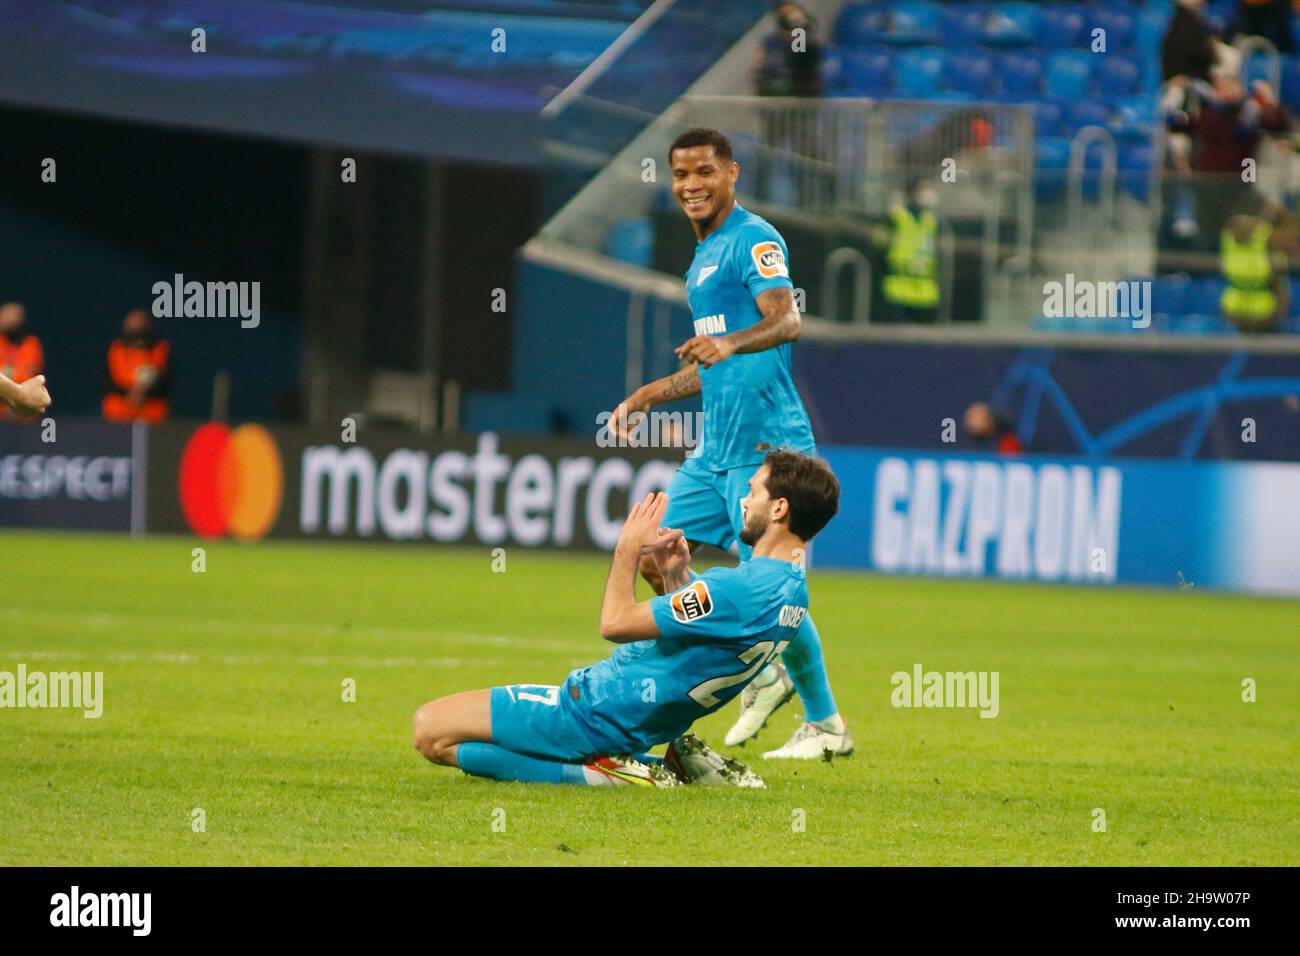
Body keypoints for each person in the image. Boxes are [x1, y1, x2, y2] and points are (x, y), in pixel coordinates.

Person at [607, 127, 851, 760]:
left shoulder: (754, 239)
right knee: (651, 554)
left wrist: (733, 342)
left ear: (732, 173)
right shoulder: (701, 259)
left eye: (704, 173)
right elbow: (710, 361)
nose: (691, 185)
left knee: (771, 589)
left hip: (766, 447)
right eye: (681, 174)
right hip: (714, 449)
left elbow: (787, 319)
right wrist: (648, 395)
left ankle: (824, 724)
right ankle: (759, 670)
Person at [411, 452, 840, 787]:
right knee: (469, 735)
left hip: (594, 709)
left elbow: (614, 623)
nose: (744, 501)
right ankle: (653, 764)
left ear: (779, 508)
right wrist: (677, 577)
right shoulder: (792, 592)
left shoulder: (735, 588)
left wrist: (627, 549)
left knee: (431, 732)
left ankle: (606, 774)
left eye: (754, 491)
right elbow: (710, 640)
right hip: (635, 720)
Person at [874, 177, 940, 324]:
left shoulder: (931, 221)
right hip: (897, 289)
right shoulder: (896, 217)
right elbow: (879, 244)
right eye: (922, 190)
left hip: (925, 292)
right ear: (911, 193)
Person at [1220, 213, 1289, 331]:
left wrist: (1275, 314)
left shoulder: (1270, 241)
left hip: (1265, 314)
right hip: (1234, 311)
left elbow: (1280, 285)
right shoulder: (1227, 238)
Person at [103, 309, 171, 424]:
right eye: (133, 324)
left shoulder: (161, 350)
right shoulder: (115, 350)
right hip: (117, 415)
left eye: (141, 324)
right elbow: (107, 381)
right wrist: (129, 394)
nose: (137, 328)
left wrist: (144, 393)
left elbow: (165, 382)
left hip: (153, 416)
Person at [0, 303, 45, 422]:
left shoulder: (31, 344)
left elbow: (30, 376)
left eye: (17, 316)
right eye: (7, 316)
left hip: (24, 414)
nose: (12, 320)